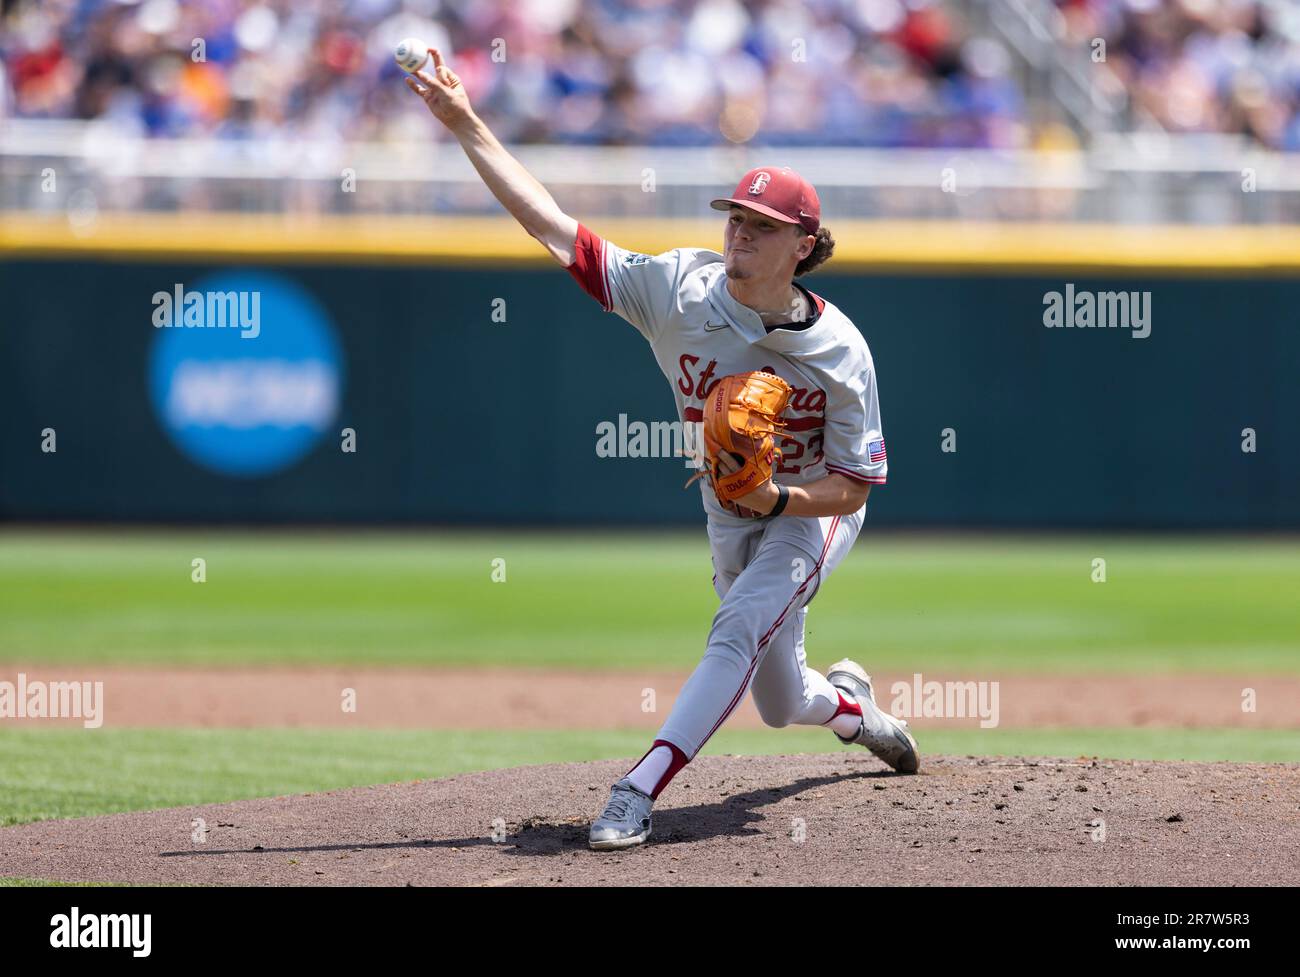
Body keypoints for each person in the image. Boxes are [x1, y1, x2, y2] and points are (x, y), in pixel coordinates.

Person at [405, 50, 919, 852]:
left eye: (762, 227)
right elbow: (552, 227)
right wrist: (466, 123)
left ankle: (634, 788)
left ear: (802, 245)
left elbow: (854, 486)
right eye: (735, 219)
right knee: (780, 699)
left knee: (734, 631)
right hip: (728, 506)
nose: (739, 234)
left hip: (810, 506)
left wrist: (781, 501)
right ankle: (855, 708)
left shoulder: (841, 350)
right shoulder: (675, 289)